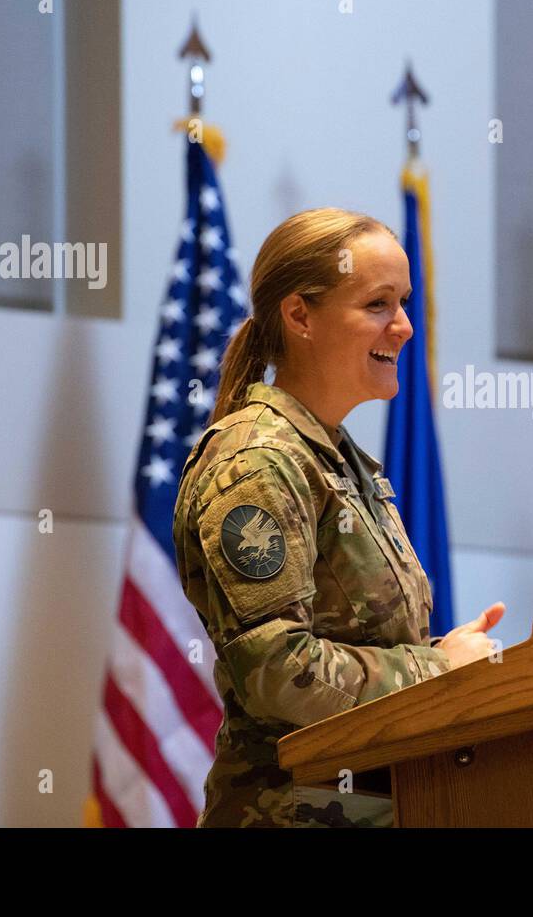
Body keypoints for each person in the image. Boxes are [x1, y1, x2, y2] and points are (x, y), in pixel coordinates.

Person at [173, 207, 503, 827]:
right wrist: (438, 670)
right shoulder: (258, 462)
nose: (404, 327)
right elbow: (277, 669)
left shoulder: (340, 460)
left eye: (404, 302)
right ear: (300, 315)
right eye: (378, 304)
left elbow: (352, 646)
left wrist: (446, 657)